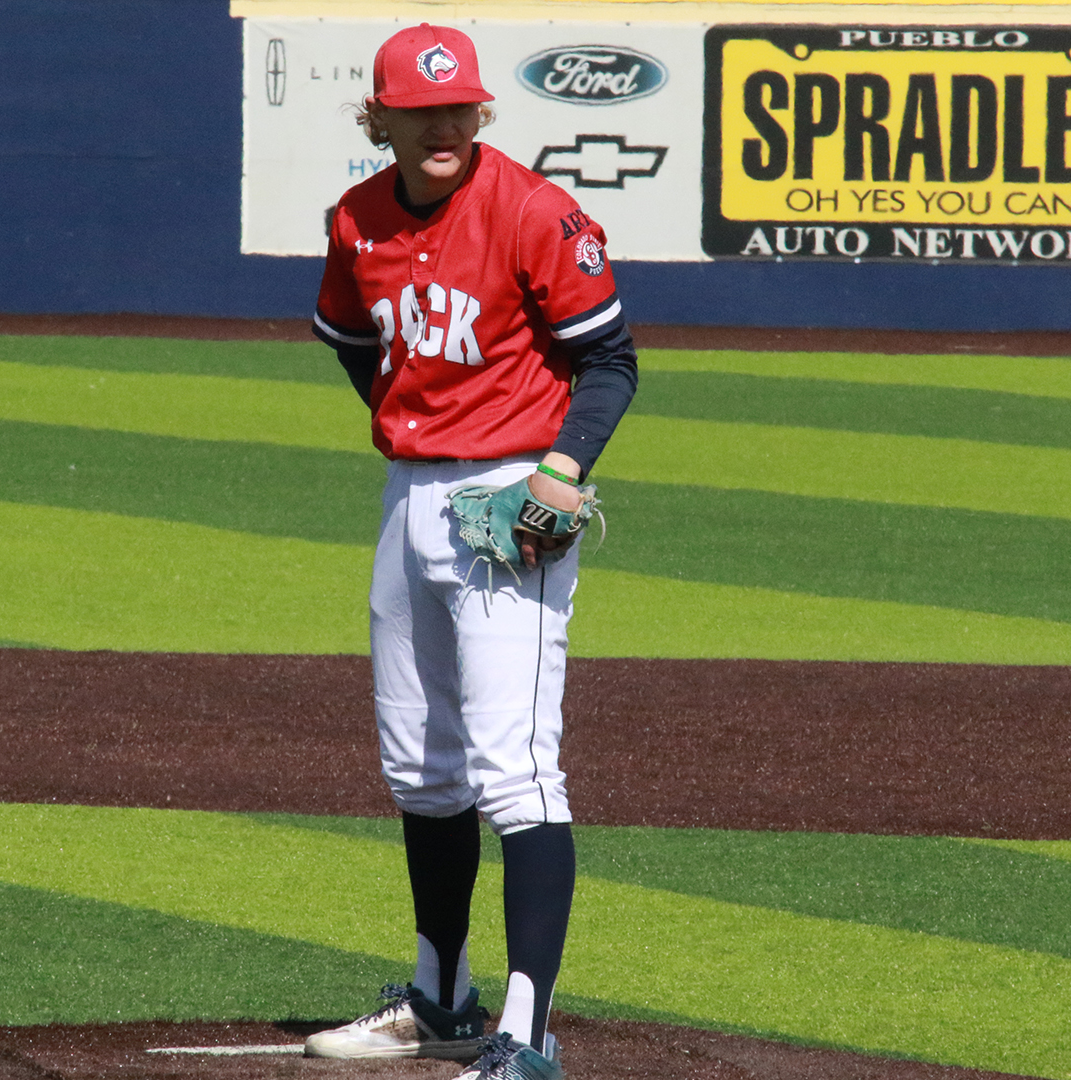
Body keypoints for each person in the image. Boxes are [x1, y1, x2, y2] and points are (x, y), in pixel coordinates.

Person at [301, 22, 639, 1080]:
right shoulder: (357, 220)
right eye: (421, 109)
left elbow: (612, 362)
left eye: (460, 108)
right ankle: (441, 1000)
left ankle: (527, 1037)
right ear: (383, 117)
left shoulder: (534, 212)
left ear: (479, 113)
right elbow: (358, 345)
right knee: (419, 763)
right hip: (411, 494)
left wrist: (561, 470)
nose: (443, 125)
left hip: (511, 501)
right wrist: (421, 441)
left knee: (516, 771)